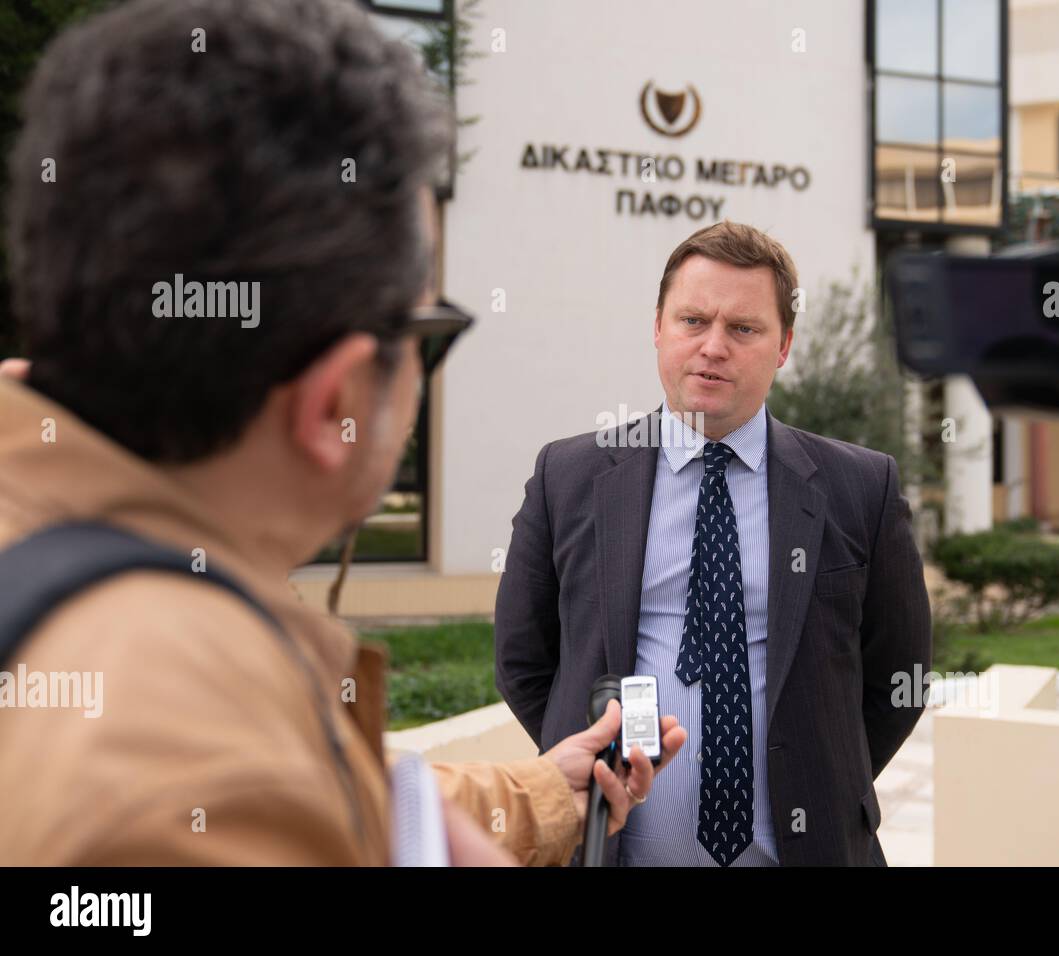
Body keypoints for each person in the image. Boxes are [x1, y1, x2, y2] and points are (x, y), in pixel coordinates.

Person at [0, 0, 685, 866]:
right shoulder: (188, 779)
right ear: (336, 403)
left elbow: (321, 785)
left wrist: (545, 793)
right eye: (427, 333)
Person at [495, 221, 932, 866]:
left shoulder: (860, 486)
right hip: (615, 852)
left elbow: (901, 674)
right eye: (693, 320)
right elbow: (524, 660)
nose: (713, 347)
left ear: (783, 345)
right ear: (658, 328)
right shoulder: (569, 476)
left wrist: (824, 773)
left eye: (744, 329)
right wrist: (598, 769)